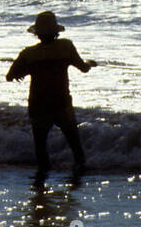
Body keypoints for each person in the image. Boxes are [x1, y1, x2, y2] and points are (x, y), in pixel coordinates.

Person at [6, 11, 96, 175]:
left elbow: (10, 76)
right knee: (74, 143)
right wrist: (90, 63)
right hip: (61, 103)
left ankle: (42, 180)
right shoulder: (66, 46)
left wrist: (26, 71)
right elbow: (83, 68)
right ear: (56, 32)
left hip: (38, 104)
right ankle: (79, 173)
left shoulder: (28, 53)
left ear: (38, 34)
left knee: (40, 147)